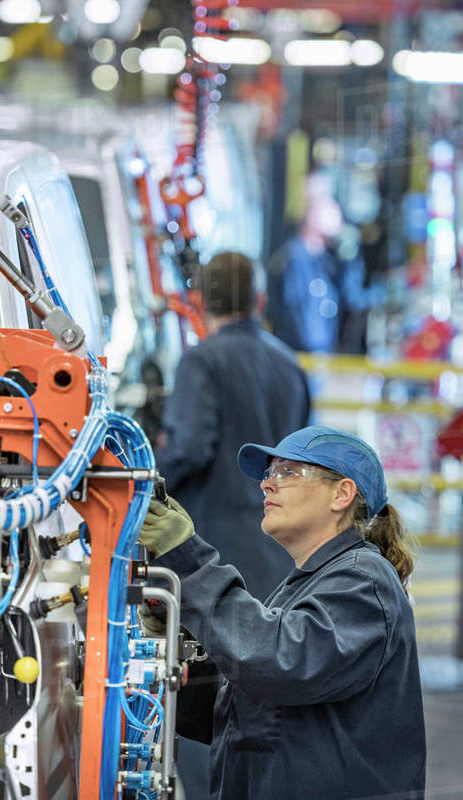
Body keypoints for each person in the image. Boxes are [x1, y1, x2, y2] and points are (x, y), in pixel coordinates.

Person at [141, 425, 426, 800]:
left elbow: (280, 662)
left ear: (342, 494)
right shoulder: (308, 586)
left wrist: (190, 563)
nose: (266, 485)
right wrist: (178, 627)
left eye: (287, 472)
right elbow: (243, 711)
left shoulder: (363, 580)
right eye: (268, 473)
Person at [155, 251, 310, 602]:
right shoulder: (291, 365)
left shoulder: (201, 360)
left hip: (212, 552)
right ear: (260, 300)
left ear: (199, 301)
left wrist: (141, 489)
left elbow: (190, 450)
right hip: (281, 550)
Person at [267, 173, 385, 354]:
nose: (335, 209)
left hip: (320, 356)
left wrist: (350, 252)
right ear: (310, 214)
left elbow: (353, 297)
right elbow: (299, 320)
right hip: (307, 358)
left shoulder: (326, 259)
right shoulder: (296, 260)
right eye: (326, 202)